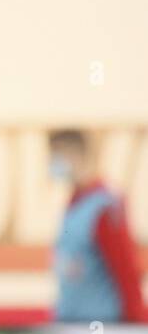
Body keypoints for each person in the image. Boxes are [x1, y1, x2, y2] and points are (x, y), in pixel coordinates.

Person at [48, 129, 144, 323]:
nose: (52, 163)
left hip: (99, 324)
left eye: (57, 155)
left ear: (76, 155)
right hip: (72, 320)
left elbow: (125, 270)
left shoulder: (104, 206)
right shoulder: (75, 204)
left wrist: (139, 321)